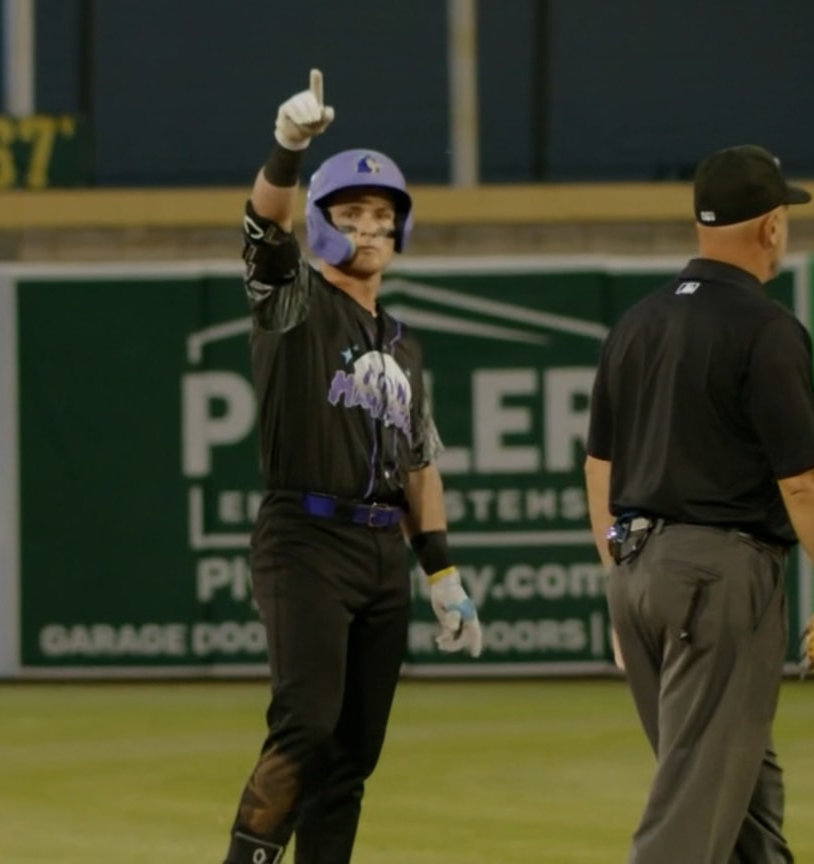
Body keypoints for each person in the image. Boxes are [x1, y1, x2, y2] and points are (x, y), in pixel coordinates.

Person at [583, 144, 814, 864]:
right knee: (692, 807)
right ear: (773, 224)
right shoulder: (766, 328)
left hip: (638, 572)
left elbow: (599, 467)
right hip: (715, 577)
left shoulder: (638, 323)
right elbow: (805, 482)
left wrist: (616, 576)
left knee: (742, 789)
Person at [220, 69, 484, 864]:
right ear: (323, 223)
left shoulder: (403, 343)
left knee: (353, 755)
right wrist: (288, 148)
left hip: (378, 553)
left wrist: (440, 574)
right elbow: (263, 234)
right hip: (305, 535)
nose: (369, 228)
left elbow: (418, 462)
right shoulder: (296, 301)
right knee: (305, 726)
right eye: (351, 214)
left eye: (382, 215)